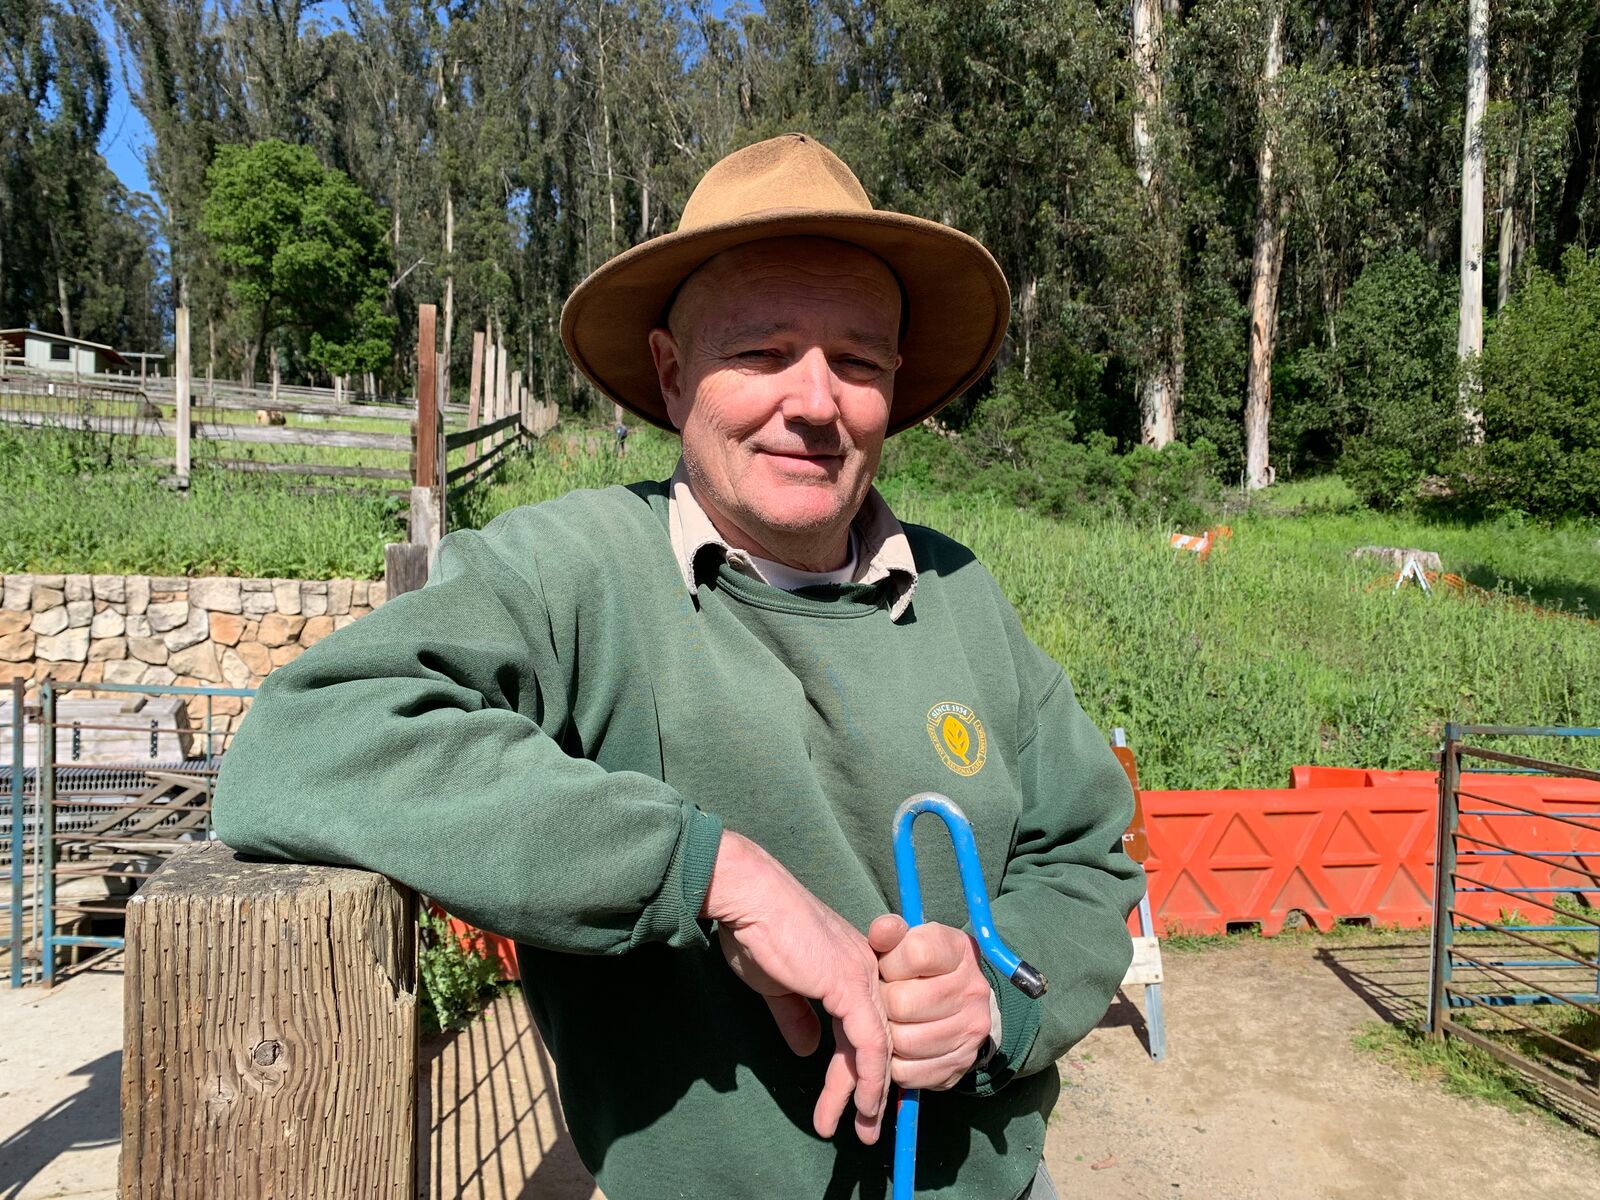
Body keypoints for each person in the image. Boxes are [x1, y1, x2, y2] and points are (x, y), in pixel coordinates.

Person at [214, 133, 1144, 1200]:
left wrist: (996, 997)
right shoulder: (572, 571)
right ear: (671, 372)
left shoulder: (961, 593)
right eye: (760, 352)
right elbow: (307, 738)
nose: (815, 400)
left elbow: (1084, 857)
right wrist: (712, 876)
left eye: (858, 359)